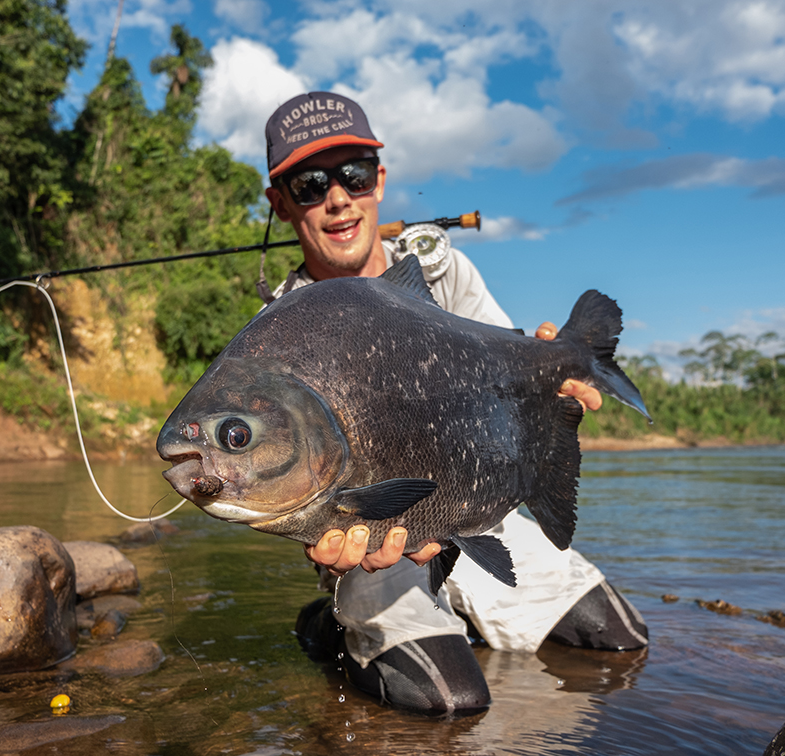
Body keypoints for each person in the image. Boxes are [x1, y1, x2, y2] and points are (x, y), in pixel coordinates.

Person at [261, 92, 648, 716]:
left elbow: (510, 379)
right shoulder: (274, 341)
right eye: (309, 183)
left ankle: (458, 616)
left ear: (379, 181)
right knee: (452, 703)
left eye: (353, 174)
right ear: (280, 204)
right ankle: (332, 619)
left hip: (477, 513)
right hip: (375, 545)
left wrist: (555, 387)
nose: (337, 197)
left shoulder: (447, 276)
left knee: (621, 645)